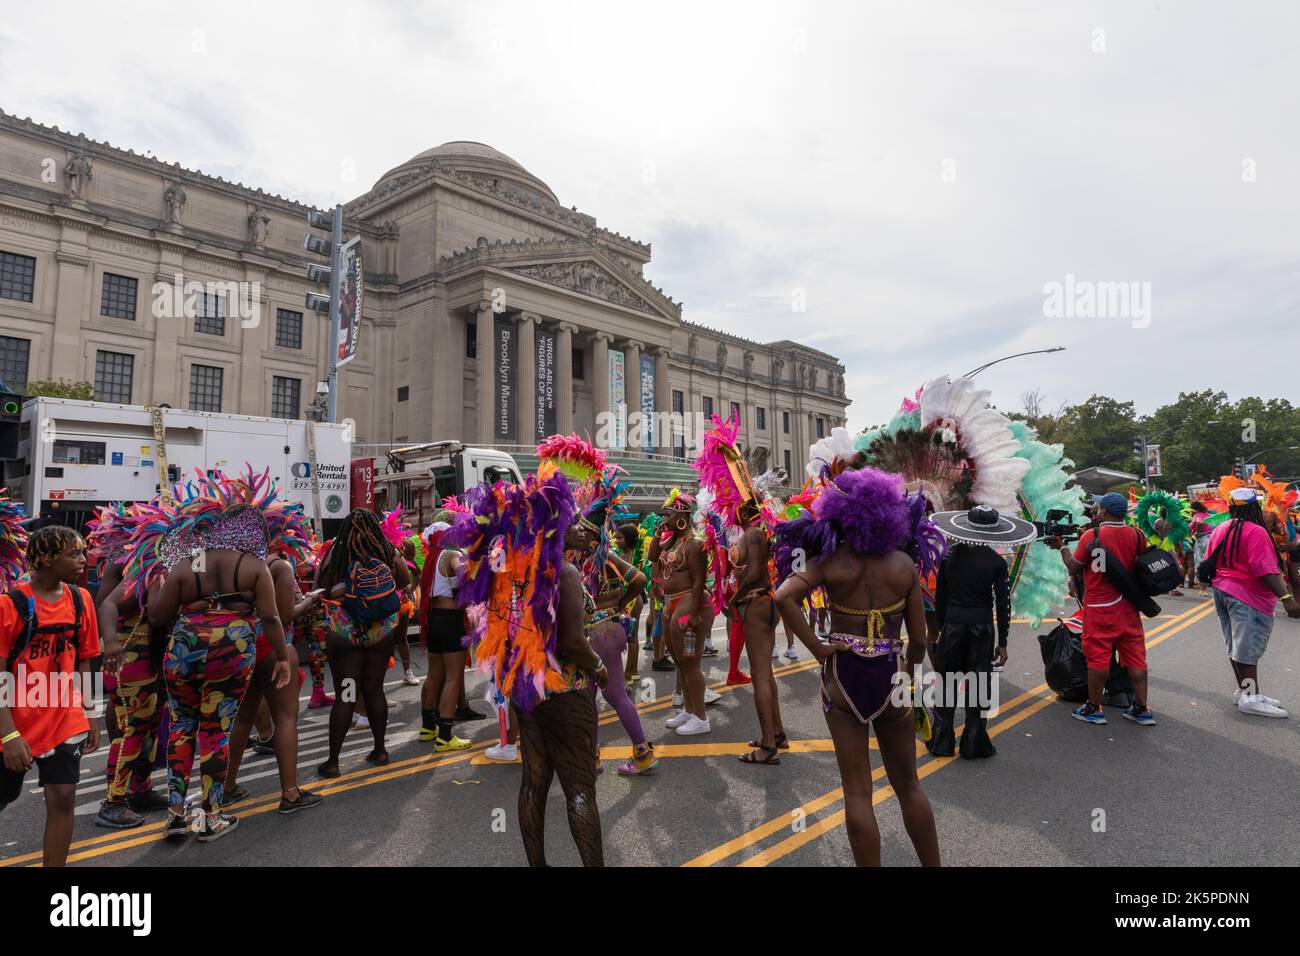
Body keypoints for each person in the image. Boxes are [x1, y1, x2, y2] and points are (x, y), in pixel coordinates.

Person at [773, 466, 942, 866]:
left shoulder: (830, 563)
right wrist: (910, 673)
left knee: (856, 791)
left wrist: (817, 647)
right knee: (909, 785)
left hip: (842, 677)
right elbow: (919, 639)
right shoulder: (903, 565)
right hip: (892, 675)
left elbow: (783, 597)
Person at [450, 457, 608, 867]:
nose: (574, 521)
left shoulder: (505, 573)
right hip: (564, 689)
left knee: (534, 783)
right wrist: (599, 667)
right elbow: (572, 642)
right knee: (579, 789)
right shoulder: (564, 573)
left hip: (524, 689)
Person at [148, 481, 291, 841]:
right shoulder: (253, 566)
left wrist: (155, 589)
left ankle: (176, 813)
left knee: (183, 727)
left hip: (184, 650)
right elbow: (272, 618)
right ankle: (210, 817)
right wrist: (283, 658)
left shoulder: (189, 562)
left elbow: (158, 615)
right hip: (231, 652)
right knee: (216, 730)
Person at [0, 526, 101, 867]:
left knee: (63, 798)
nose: (83, 560)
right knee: (5, 795)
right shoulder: (10, 605)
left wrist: (90, 712)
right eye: (74, 554)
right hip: (15, 720)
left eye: (83, 552)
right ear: (46, 559)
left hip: (63, 717)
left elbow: (85, 659)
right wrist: (9, 734)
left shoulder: (80, 598)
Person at [224, 496, 323, 813]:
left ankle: (226, 787)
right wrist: (309, 600)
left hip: (239, 647)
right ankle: (290, 793)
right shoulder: (276, 565)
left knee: (242, 719)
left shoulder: (225, 562)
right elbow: (282, 615)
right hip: (271, 647)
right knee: (286, 719)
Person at [927, 506, 1033, 758]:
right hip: (982, 629)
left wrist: (942, 629)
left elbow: (939, 598)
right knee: (978, 682)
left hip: (952, 625)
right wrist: (1003, 641)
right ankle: (973, 743)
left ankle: (942, 740)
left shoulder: (949, 557)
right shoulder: (996, 562)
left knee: (947, 681)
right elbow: (1003, 604)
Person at [314, 508, 412, 777]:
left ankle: (333, 761)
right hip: (380, 631)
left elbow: (318, 588)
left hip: (345, 633)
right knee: (374, 690)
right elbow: (405, 580)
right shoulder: (387, 550)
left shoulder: (336, 553)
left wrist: (345, 590)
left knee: (346, 694)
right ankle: (380, 750)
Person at [569, 491, 657, 776]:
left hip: (597, 634)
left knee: (611, 695)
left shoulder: (585, 563)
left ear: (592, 535)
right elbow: (640, 579)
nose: (577, 535)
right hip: (614, 627)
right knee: (599, 695)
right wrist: (620, 603)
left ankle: (639, 752)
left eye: (582, 531)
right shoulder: (609, 557)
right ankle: (595, 756)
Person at [1052, 492, 1155, 727]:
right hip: (1129, 606)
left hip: (1099, 608)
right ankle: (1141, 708)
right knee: (1136, 657)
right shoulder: (1137, 534)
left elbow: (1074, 567)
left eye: (1098, 508)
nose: (1095, 511)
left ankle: (1093, 707)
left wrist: (1062, 548)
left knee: (1097, 658)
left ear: (1104, 511)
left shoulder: (1092, 535)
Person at [1206, 488, 1300, 717]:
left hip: (1223, 591)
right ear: (1253, 507)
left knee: (1236, 645)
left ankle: (1246, 691)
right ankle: (1250, 697)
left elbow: (1209, 559)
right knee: (1246, 649)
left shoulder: (1221, 528)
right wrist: (1288, 599)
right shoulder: (1255, 531)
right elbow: (1265, 571)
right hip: (1247, 597)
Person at [650, 491, 714, 736]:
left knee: (691, 663)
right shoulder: (673, 540)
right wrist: (658, 533)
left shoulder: (695, 543)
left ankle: (701, 717)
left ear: (683, 514)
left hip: (689, 604)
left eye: (668, 512)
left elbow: (699, 581)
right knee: (679, 662)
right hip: (670, 605)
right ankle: (689, 710)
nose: (664, 517)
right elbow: (652, 556)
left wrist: (695, 613)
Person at [418, 515, 473, 752]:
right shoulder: (451, 555)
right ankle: (446, 736)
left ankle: (428, 727)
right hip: (451, 620)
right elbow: (467, 575)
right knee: (453, 677)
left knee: (434, 675)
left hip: (433, 619)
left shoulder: (431, 560)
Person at [1188, 502, 1212, 590]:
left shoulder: (1198, 515)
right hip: (1210, 538)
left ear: (1195, 509)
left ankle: (1202, 581)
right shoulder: (1207, 514)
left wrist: (1197, 532)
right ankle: (1209, 579)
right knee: (1208, 559)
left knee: (1200, 560)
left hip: (1202, 539)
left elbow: (1199, 522)